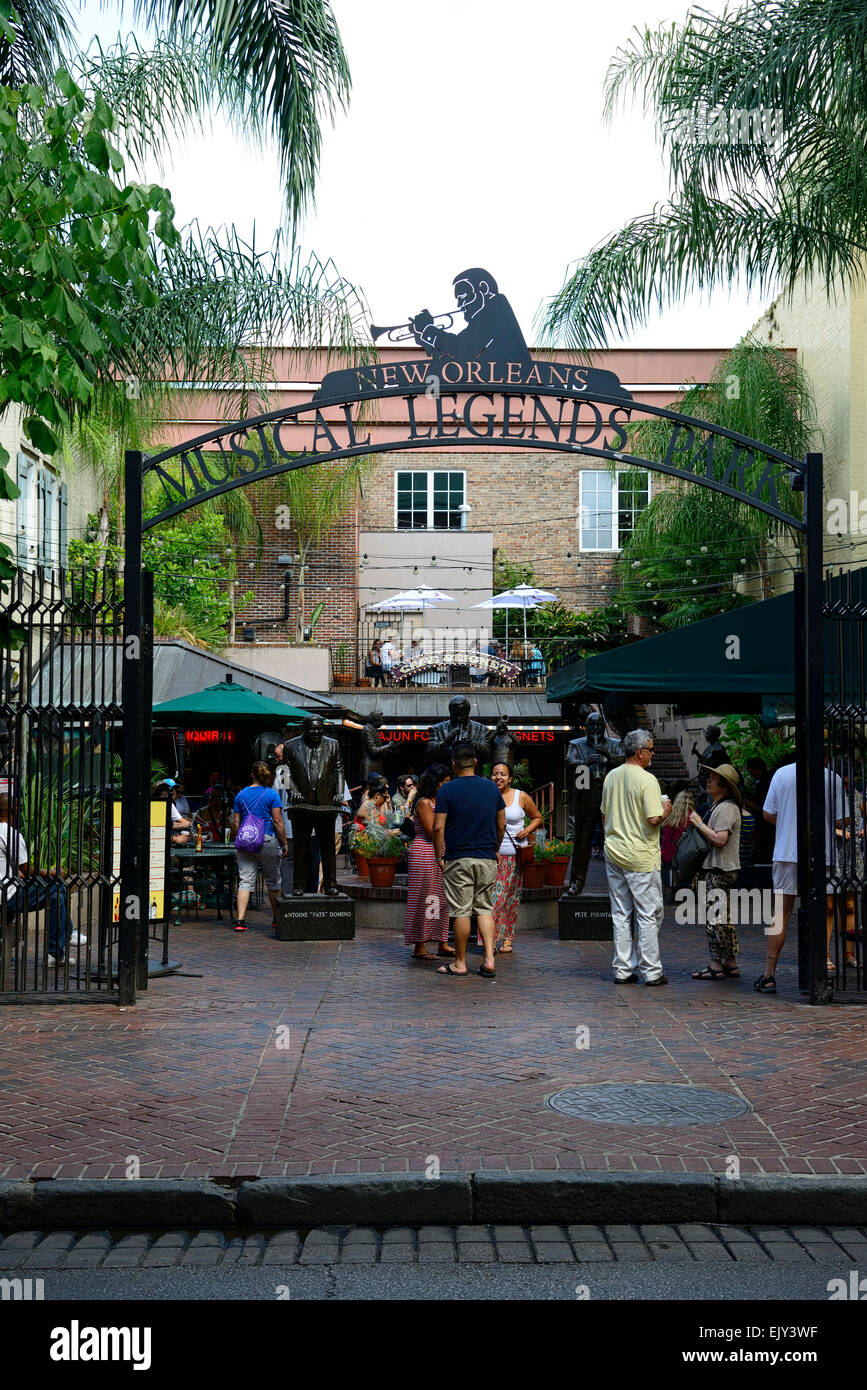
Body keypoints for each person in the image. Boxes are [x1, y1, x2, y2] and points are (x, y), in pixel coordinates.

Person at [755, 747, 844, 994]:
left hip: (786, 852)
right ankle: (823, 962)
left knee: (781, 914)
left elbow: (767, 813)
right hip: (822, 851)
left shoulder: (781, 774)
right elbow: (840, 821)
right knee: (824, 908)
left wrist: (788, 821)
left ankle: (769, 973)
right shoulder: (832, 778)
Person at [600, 729, 670, 986]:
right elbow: (653, 819)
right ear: (640, 753)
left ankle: (623, 968)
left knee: (620, 913)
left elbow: (605, 816)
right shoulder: (647, 780)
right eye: (651, 750)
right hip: (640, 855)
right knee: (649, 914)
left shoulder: (611, 776)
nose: (652, 754)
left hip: (614, 851)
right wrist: (667, 811)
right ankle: (651, 971)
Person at [432, 742, 506, 979]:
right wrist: (494, 847)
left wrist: (438, 856)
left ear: (454, 765)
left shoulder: (447, 790)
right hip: (486, 856)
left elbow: (437, 827)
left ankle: (460, 963)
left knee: (461, 911)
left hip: (458, 857)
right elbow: (501, 823)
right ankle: (489, 960)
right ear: (475, 763)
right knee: (485, 908)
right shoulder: (491, 788)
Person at [0, 792, 73, 965]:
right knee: (57, 887)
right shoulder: (10, 834)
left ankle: (62, 944)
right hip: (8, 895)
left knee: (56, 894)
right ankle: (63, 941)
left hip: (6, 887)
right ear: (14, 810)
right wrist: (53, 872)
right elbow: (27, 870)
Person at [689, 765, 743, 980]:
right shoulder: (719, 805)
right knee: (724, 919)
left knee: (714, 919)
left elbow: (720, 839)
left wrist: (698, 823)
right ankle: (730, 962)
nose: (708, 781)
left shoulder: (726, 808)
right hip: (722, 867)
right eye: (709, 777)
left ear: (725, 787)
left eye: (713, 779)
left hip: (720, 868)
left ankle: (715, 965)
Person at [282, 715, 346, 896]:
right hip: (302, 804)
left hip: (326, 804)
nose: (317, 732)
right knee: (300, 847)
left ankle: (330, 884)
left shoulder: (333, 744)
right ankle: (299, 885)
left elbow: (339, 770)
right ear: (305, 729)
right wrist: (292, 790)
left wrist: (339, 792)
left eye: (320, 729)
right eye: (313, 729)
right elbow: (284, 772)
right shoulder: (290, 746)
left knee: (327, 847)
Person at [490, 762, 543, 954]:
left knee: (511, 899)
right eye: (495, 774)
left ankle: (507, 938)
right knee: (494, 899)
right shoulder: (488, 795)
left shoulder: (521, 796)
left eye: (503, 774)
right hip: (493, 856)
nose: (498, 777)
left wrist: (526, 830)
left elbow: (538, 817)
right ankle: (490, 940)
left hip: (515, 856)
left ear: (510, 778)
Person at [403, 764, 453, 960]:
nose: (447, 787)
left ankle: (442, 942)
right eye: (444, 783)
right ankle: (420, 946)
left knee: (442, 898)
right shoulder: (424, 803)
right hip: (426, 852)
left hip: (440, 851)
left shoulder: (441, 801)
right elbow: (432, 831)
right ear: (435, 783)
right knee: (425, 898)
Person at [232, 762, 288, 932]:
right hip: (266, 839)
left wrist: (238, 837)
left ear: (252, 775)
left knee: (245, 880)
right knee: (273, 881)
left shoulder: (240, 795)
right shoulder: (272, 795)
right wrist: (284, 843)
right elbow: (278, 821)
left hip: (246, 840)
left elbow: (235, 823)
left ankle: (240, 920)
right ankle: (277, 918)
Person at [660, 787, 693, 897]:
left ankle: (673, 885)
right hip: (684, 857)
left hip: (667, 856)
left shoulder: (670, 816)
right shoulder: (692, 817)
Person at [744, 757, 775, 864]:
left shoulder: (765, 783)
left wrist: (745, 801)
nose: (751, 775)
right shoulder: (762, 782)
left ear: (758, 769)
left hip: (766, 826)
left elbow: (760, 807)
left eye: (751, 771)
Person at [155, 781, 190, 846]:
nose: (174, 794)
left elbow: (169, 825)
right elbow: (154, 832)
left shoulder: (169, 805)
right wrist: (174, 838)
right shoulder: (155, 808)